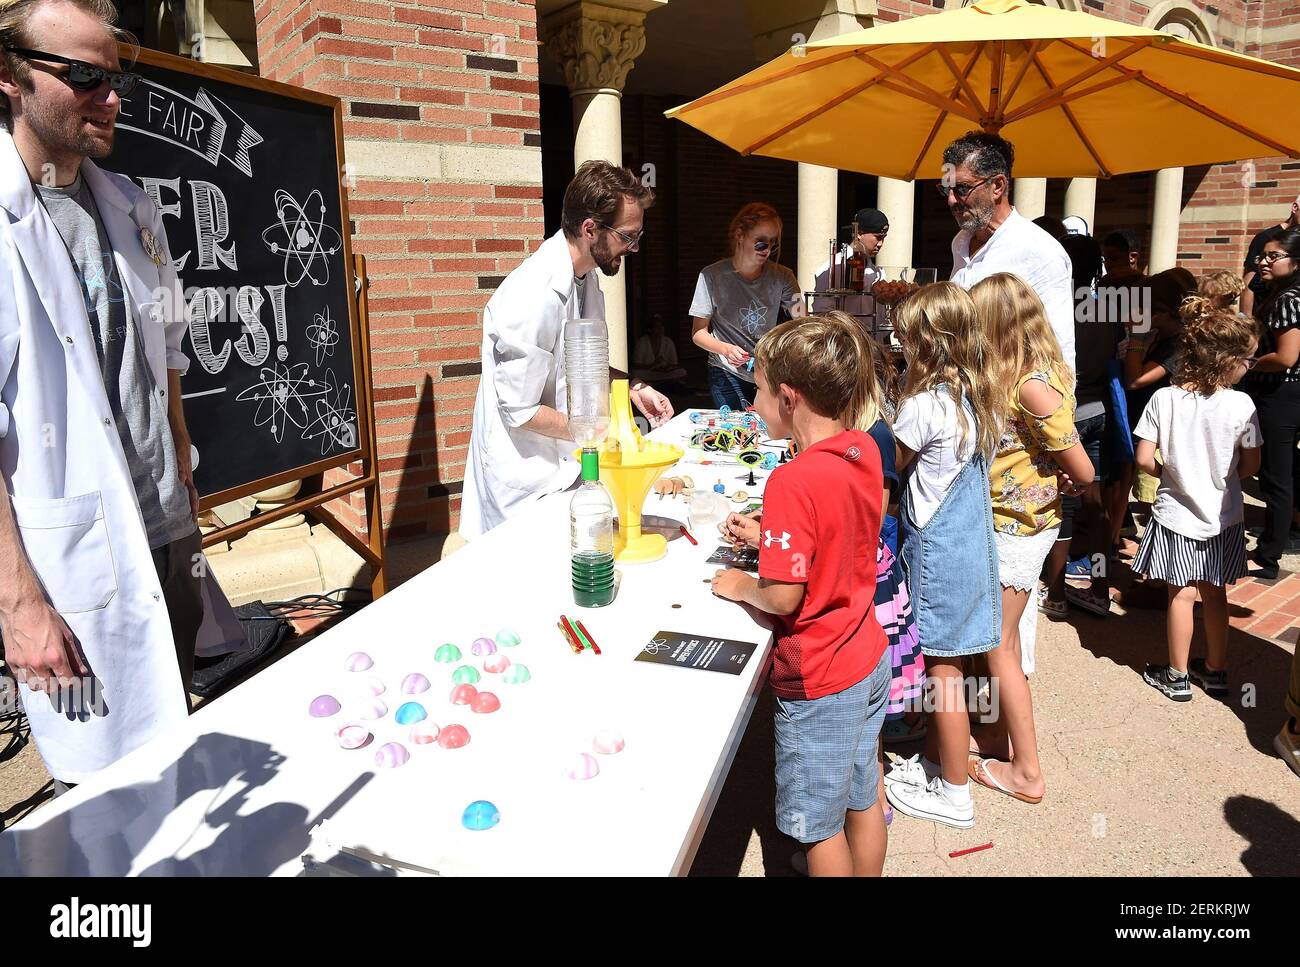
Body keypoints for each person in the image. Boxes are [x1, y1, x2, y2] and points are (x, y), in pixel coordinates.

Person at [0, 0, 242, 787]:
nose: (112, 96)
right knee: (103, 786)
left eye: (118, 75)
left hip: (164, 522)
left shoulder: (131, 204)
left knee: (174, 731)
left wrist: (179, 452)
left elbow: (169, 339)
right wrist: (19, 603)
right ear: (8, 73)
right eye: (85, 76)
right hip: (72, 555)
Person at [710, 314, 891, 876]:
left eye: (758, 391)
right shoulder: (862, 449)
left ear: (788, 398)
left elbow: (784, 596)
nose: (753, 403)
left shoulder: (790, 480)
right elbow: (843, 527)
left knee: (817, 830)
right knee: (864, 798)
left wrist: (740, 583)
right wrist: (774, 535)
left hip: (821, 675)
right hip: (866, 655)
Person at [460, 161, 673, 539]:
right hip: (525, 480)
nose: (635, 248)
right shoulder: (533, 293)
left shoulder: (586, 278)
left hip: (565, 470)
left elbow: (579, 365)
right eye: (628, 236)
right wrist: (601, 433)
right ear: (591, 229)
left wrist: (635, 388)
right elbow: (521, 409)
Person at [967, 273, 1093, 803]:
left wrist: (1066, 473)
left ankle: (1028, 772)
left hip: (1019, 528)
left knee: (1001, 646)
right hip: (1021, 520)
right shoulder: (1044, 373)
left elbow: (1084, 470)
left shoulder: (1028, 386)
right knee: (1004, 642)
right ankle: (995, 735)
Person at [883, 282, 1001, 830]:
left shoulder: (923, 404)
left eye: (905, 336)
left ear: (928, 342)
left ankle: (954, 795)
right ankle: (937, 763)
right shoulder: (971, 397)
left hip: (938, 556)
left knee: (944, 670)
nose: (897, 343)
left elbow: (891, 464)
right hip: (968, 549)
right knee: (949, 664)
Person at [1130, 303, 1261, 701]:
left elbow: (1142, 457)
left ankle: (1177, 674)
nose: (1250, 368)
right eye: (1248, 360)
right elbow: (1251, 463)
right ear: (1229, 361)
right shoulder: (1243, 405)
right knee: (1215, 592)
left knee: (1181, 594)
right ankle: (1216, 670)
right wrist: (1221, 480)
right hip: (1224, 514)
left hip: (1176, 515)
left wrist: (1171, 476)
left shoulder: (1165, 399)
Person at [941, 130, 1075, 373]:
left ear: (998, 186)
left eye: (961, 188)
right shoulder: (960, 243)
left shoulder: (1039, 251)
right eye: (946, 190)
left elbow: (1059, 351)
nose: (951, 200)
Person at [1043, 231, 1117, 619]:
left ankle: (1056, 593)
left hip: (1066, 412)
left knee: (1063, 508)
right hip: (1097, 409)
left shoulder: (1056, 306)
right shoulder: (1104, 306)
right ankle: (1100, 588)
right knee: (1096, 507)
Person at [690, 202, 804, 409]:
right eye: (761, 243)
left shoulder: (784, 277)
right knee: (737, 433)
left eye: (773, 244)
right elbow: (699, 333)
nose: (767, 250)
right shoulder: (711, 276)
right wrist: (725, 349)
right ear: (740, 235)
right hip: (726, 371)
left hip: (767, 370)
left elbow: (803, 322)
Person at [1244, 226, 1300, 579]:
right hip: (1290, 393)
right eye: (1263, 255)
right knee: (1288, 470)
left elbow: (1285, 357)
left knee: (1277, 477)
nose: (1263, 261)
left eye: (1273, 256)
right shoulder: (1284, 293)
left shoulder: (1287, 300)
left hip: (1281, 394)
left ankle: (1269, 555)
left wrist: (1250, 363)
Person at [811, 207, 889, 317]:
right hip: (845, 333)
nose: (881, 244)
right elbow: (822, 313)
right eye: (877, 237)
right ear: (859, 233)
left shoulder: (877, 272)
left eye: (883, 238)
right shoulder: (832, 267)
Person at [1241, 195, 1299, 318]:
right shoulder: (1267, 238)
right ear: (1295, 207)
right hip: (1265, 312)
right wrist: (1247, 321)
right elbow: (1248, 283)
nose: (1264, 262)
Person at [632, 316, 685, 383]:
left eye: (661, 327)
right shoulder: (642, 342)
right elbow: (636, 365)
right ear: (649, 330)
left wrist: (666, 367)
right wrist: (653, 365)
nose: (660, 329)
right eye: (657, 327)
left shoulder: (668, 342)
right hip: (648, 372)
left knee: (681, 372)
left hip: (663, 373)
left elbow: (674, 364)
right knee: (636, 373)